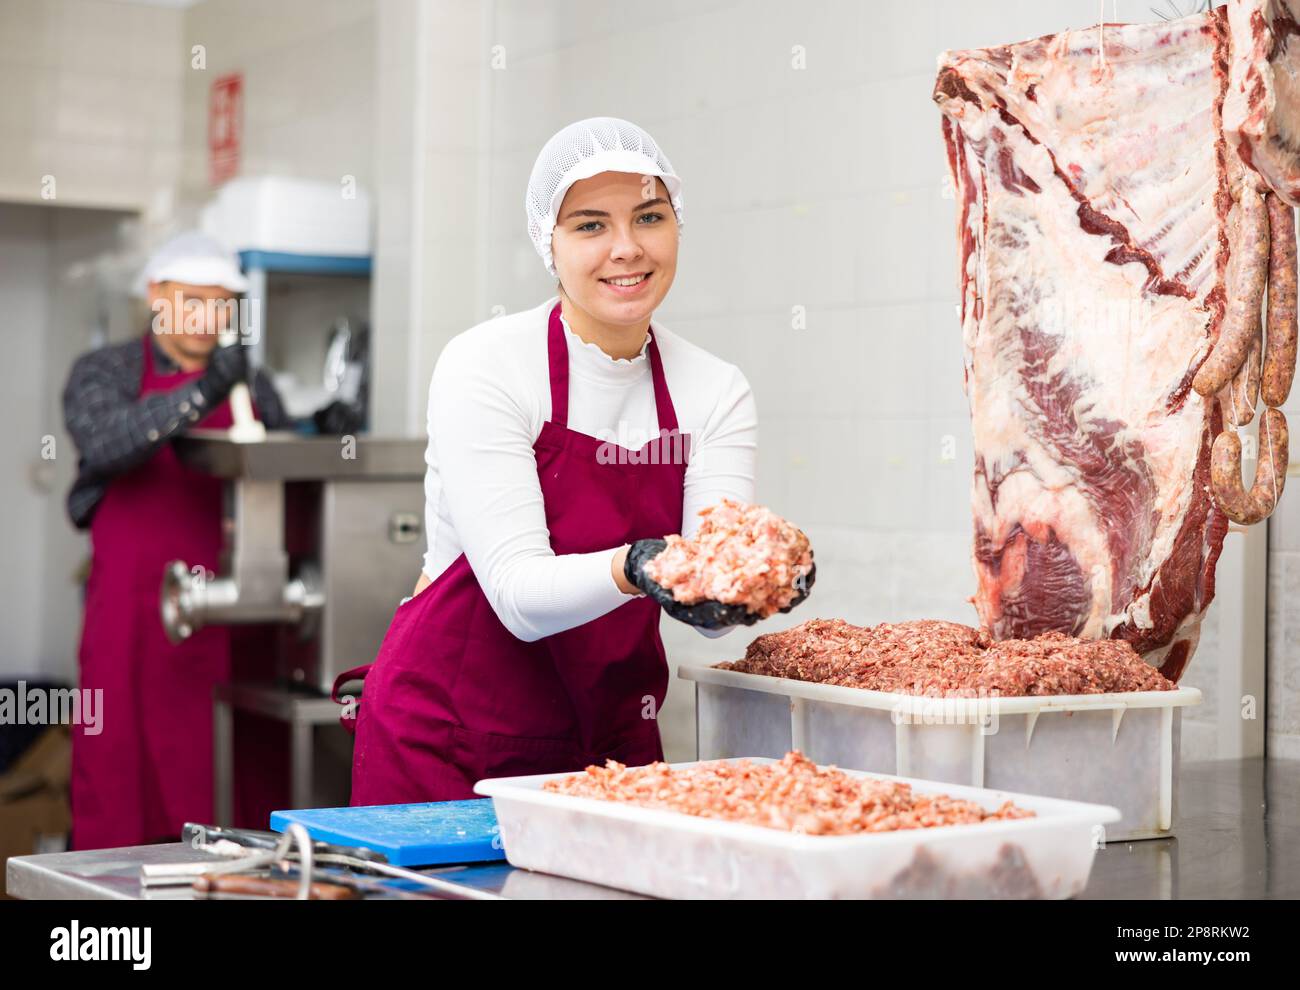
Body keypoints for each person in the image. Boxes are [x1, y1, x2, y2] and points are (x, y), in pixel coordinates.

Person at [344, 117, 759, 804]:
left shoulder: (714, 389)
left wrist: (744, 581)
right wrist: (642, 566)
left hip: (610, 744)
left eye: (649, 217)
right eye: (590, 225)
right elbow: (517, 597)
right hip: (449, 740)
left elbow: (705, 590)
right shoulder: (487, 365)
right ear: (549, 243)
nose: (626, 249)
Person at [63, 231, 290, 849]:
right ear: (155, 296)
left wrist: (326, 428)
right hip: (131, 622)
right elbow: (108, 441)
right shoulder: (103, 373)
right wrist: (200, 394)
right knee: (118, 769)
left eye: (221, 305)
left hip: (232, 618)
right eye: (192, 300)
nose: (206, 318)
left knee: (229, 775)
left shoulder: (253, 386)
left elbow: (284, 477)